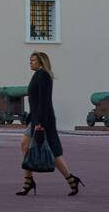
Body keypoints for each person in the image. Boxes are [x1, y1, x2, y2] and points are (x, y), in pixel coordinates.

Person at [16, 51, 83, 196]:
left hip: (43, 119)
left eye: (33, 60)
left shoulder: (44, 76)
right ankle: (28, 181)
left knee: (53, 151)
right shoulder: (37, 75)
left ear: (41, 62)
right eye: (30, 60)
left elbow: (44, 101)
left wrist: (40, 122)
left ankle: (71, 179)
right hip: (35, 118)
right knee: (24, 145)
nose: (30, 62)